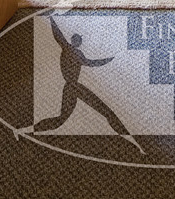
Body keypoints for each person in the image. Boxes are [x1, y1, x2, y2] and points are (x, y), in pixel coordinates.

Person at [17, 15, 144, 154]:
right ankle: (23, 130)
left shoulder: (77, 53)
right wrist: (51, 19)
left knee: (65, 118)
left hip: (73, 87)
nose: (78, 41)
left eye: (79, 40)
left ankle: (23, 130)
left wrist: (106, 60)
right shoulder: (67, 48)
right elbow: (58, 35)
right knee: (104, 113)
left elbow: (91, 63)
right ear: (73, 40)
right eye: (77, 39)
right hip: (73, 87)